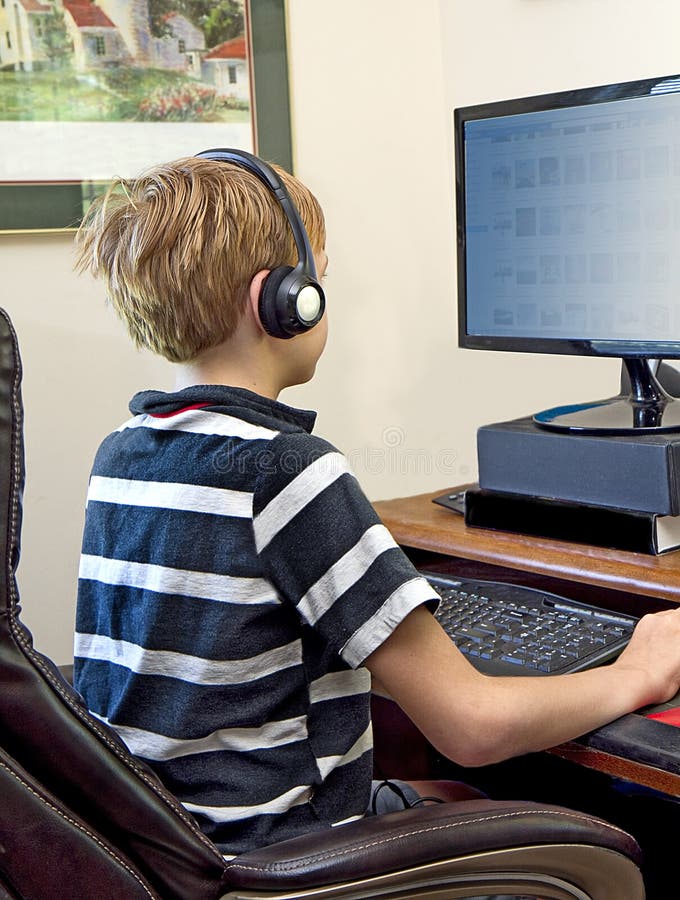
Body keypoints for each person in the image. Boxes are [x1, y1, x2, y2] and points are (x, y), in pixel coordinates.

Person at [73, 150, 680, 859]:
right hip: (287, 861)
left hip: (173, 851)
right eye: (320, 279)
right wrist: (640, 671)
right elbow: (472, 727)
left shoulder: (123, 452)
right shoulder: (291, 473)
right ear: (283, 300)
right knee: (608, 841)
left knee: (449, 793)